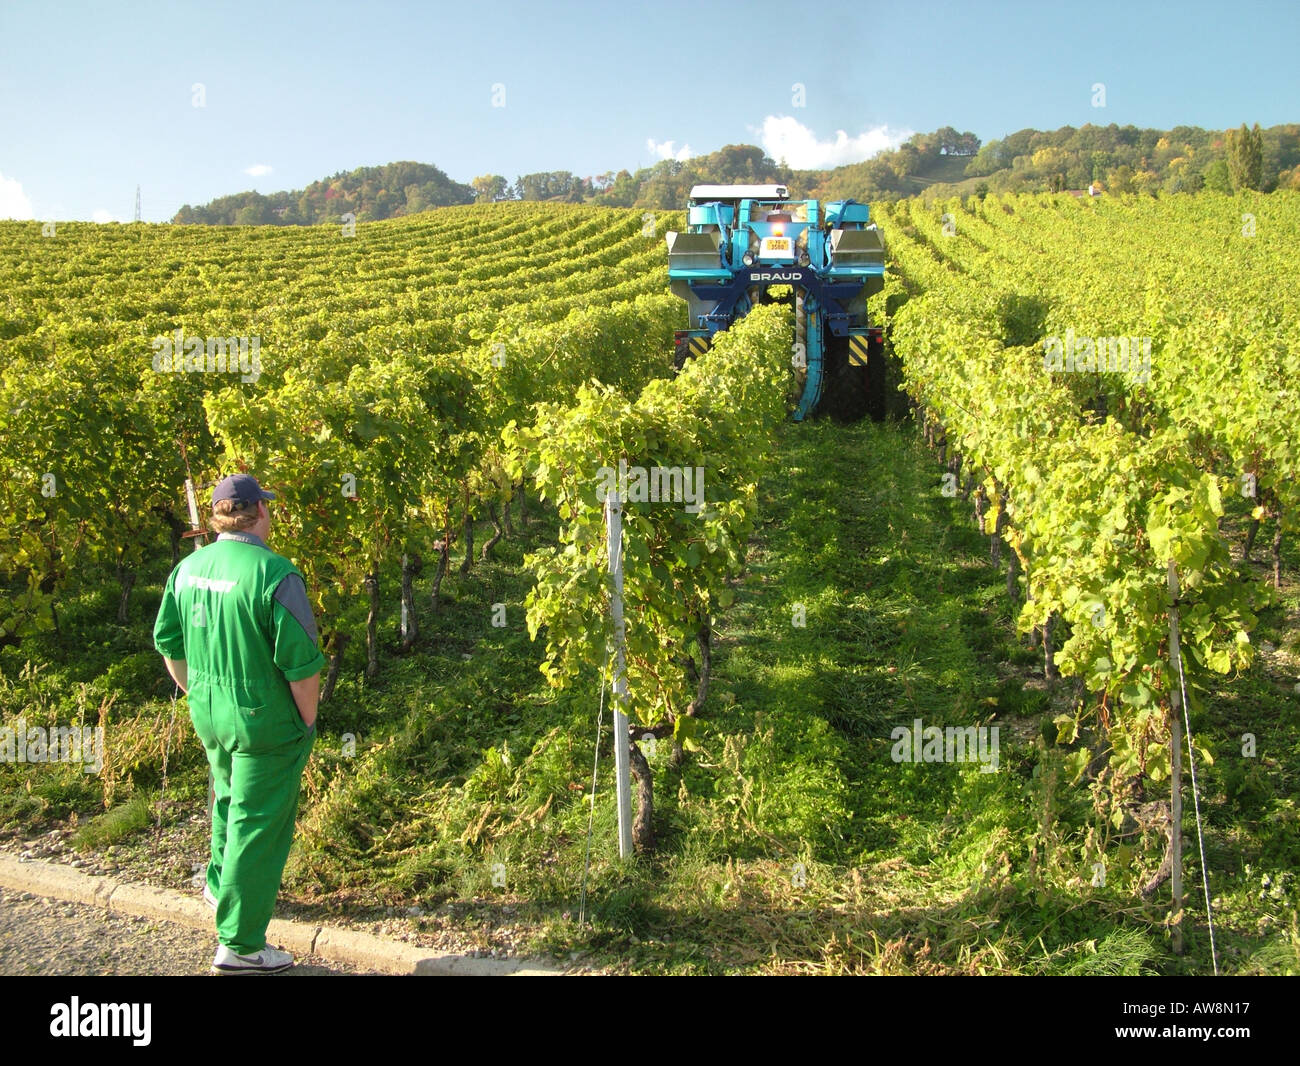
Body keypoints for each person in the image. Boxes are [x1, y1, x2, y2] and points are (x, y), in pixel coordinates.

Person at [152, 473, 324, 974]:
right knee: (259, 824)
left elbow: (170, 644)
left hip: (211, 713)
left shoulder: (188, 568)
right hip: (265, 723)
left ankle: (218, 884)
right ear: (261, 513)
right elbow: (301, 664)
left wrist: (198, 692)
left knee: (227, 798)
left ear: (217, 517)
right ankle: (241, 944)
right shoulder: (275, 574)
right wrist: (305, 721)